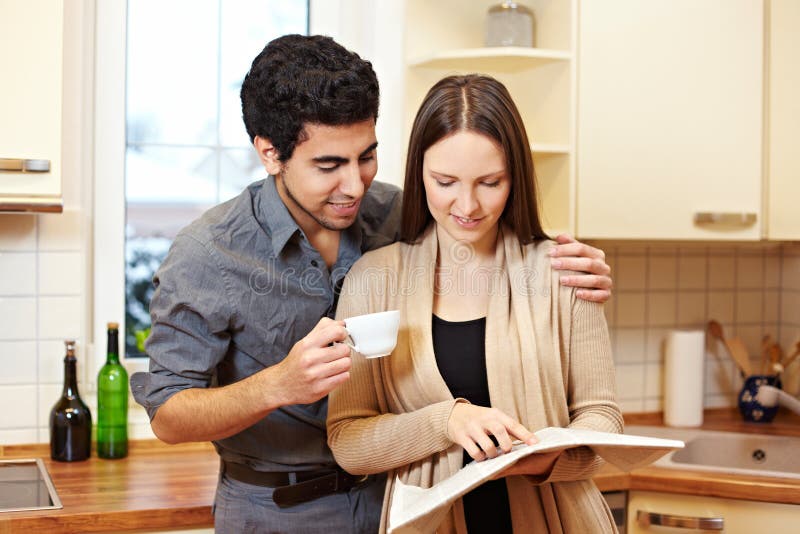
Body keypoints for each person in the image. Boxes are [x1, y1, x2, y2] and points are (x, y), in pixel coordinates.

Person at [131, 35, 614, 533]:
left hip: (401, 498)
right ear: (271, 153)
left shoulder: (396, 214)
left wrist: (574, 266)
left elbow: (480, 221)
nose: (356, 185)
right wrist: (279, 384)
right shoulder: (209, 253)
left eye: (366, 156)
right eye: (329, 166)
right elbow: (168, 415)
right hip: (278, 508)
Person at [327, 74, 623, 534]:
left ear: (516, 177)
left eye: (490, 182)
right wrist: (448, 421)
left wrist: (550, 458)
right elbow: (348, 440)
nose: (467, 205)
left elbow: (603, 417)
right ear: (418, 174)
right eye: (445, 181)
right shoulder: (375, 279)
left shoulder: (564, 271)